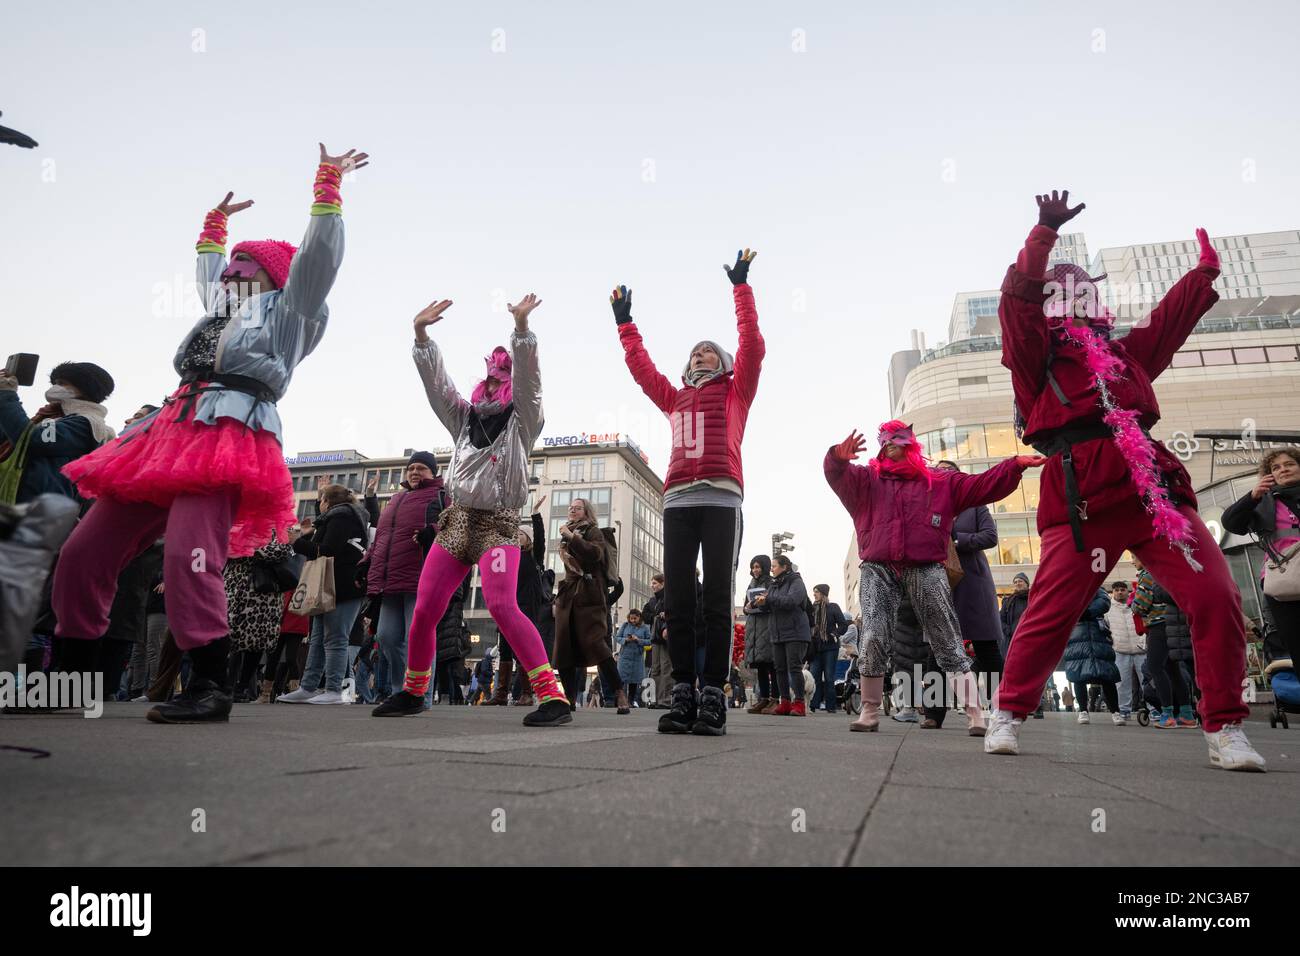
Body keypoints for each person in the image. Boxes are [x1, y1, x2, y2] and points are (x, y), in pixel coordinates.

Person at [49, 145, 365, 724]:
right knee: (82, 553)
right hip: (165, 433)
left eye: (245, 263)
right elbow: (206, 271)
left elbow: (319, 261)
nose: (231, 270)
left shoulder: (292, 312)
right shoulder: (220, 309)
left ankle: (211, 684)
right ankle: (69, 681)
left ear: (274, 275)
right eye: (231, 264)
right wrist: (214, 228)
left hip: (227, 432)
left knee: (191, 556)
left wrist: (327, 187)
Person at [986, 189, 1264, 772]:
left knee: (1216, 594)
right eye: (1063, 291)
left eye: (1084, 290)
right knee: (1051, 610)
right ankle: (1008, 710)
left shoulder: (1126, 354)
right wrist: (1043, 235)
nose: (1075, 298)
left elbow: (1168, 323)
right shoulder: (1036, 356)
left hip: (1152, 484)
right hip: (1082, 491)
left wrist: (1203, 274)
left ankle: (1225, 727)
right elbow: (1017, 308)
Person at [373, 294, 569, 725]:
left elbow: (531, 384)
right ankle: (413, 691)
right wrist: (421, 336)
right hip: (458, 521)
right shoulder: (463, 419)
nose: (495, 381)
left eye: (504, 376)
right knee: (425, 608)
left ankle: (552, 696)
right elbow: (437, 387)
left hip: (499, 524)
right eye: (491, 376)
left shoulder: (523, 421)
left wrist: (521, 331)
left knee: (501, 605)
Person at [611, 248, 765, 736]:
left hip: (722, 499)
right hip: (677, 500)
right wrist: (625, 323)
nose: (699, 354)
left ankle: (714, 696)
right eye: (694, 352)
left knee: (718, 599)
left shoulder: (736, 389)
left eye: (708, 351)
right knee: (678, 601)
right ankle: (682, 693)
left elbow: (752, 346)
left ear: (720, 362)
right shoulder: (674, 396)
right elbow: (642, 371)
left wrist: (740, 288)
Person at [824, 421, 1041, 735]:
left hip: (925, 565)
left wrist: (1013, 467)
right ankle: (869, 710)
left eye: (897, 439)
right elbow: (836, 474)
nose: (890, 444)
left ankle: (975, 713)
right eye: (885, 440)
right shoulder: (867, 481)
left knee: (947, 639)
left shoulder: (939, 481)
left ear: (911, 444)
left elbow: (981, 485)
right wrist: (837, 457)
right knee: (872, 635)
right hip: (877, 565)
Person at [363, 452, 450, 701]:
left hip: (422, 576)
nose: (414, 472)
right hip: (389, 580)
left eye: (421, 468)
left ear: (433, 473)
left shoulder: (442, 495)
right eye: (411, 468)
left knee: (419, 638)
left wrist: (431, 531)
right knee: (386, 637)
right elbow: (381, 537)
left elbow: (455, 524)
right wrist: (366, 563)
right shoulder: (397, 498)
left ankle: (420, 695)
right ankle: (401, 691)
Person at [280, 484, 369, 704]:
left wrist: (297, 542)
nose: (319, 504)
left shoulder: (341, 518)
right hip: (333, 584)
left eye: (320, 500)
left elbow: (327, 549)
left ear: (327, 502)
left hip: (342, 586)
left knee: (335, 638)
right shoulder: (341, 516)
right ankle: (309, 686)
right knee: (318, 638)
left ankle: (333, 689)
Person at [935, 460, 1005, 721]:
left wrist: (958, 541)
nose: (942, 472)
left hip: (973, 581)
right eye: (938, 468)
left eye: (947, 468)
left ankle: (1003, 705)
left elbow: (990, 536)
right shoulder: (929, 505)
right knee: (936, 645)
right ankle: (934, 713)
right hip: (939, 581)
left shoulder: (975, 506)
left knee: (985, 645)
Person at [1222, 447, 1300, 670]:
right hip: (1284, 585)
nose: (1283, 470)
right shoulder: (1265, 502)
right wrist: (1252, 496)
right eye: (1276, 467)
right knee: (1295, 644)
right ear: (1269, 475)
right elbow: (1230, 522)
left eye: (1289, 464)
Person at [0, 361, 115, 505]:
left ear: (85, 389)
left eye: (62, 383)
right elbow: (9, 440)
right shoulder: (49, 418)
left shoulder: (87, 423)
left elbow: (34, 440)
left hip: (37, 512)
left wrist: (7, 395)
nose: (55, 387)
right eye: (54, 383)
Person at [553, 497, 627, 712]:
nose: (572, 510)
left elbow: (595, 554)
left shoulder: (593, 531)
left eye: (577, 508)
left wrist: (570, 536)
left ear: (587, 512)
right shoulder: (568, 535)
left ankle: (619, 692)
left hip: (590, 594)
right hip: (568, 594)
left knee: (597, 644)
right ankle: (568, 698)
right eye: (570, 508)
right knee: (564, 647)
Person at [487, 495, 550, 707]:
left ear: (528, 539)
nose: (516, 536)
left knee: (522, 648)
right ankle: (501, 693)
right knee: (504, 648)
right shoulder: (508, 555)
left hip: (527, 608)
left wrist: (535, 514)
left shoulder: (534, 557)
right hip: (507, 606)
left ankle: (526, 692)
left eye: (521, 534)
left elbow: (540, 538)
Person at [224, 533, 295, 702]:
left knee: (256, 643)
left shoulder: (277, 526)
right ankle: (225, 686)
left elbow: (283, 549)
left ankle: (241, 687)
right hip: (235, 591)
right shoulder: (237, 524)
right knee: (229, 640)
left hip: (263, 595)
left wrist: (250, 549)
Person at [1132, 558, 1199, 728]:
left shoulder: (1147, 575)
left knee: (1155, 667)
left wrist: (1133, 604)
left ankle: (1167, 714)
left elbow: (1140, 605)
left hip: (1157, 625)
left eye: (1133, 557)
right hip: (1173, 623)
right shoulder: (1164, 572)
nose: (1133, 561)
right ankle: (1187, 715)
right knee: (1173, 669)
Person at [753, 554, 810, 717]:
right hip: (777, 633)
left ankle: (799, 703)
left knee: (794, 667)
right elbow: (770, 606)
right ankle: (784, 702)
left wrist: (769, 598)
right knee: (779, 668)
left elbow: (791, 601)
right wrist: (760, 603)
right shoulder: (774, 585)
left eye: (774, 566)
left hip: (795, 631)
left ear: (785, 567)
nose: (771, 569)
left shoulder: (796, 581)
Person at [1063, 588, 1123, 725]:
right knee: (1078, 674)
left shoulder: (1095, 586)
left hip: (1097, 634)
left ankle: (1115, 712)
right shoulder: (1067, 588)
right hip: (1076, 634)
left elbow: (1104, 601)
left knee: (1107, 674)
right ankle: (1083, 710)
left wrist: (1086, 612)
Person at [1104, 580, 1145, 720]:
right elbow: (1105, 628)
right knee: (1121, 683)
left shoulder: (1136, 604)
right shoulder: (1107, 608)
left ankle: (1154, 709)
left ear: (1127, 591)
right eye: (1117, 590)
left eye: (1122, 589)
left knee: (1147, 680)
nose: (1120, 592)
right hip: (1120, 649)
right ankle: (1124, 710)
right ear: (1113, 592)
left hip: (1141, 648)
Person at [742, 556, 778, 715]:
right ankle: (764, 697)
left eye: (758, 567)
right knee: (761, 666)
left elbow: (774, 603)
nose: (755, 570)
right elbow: (745, 606)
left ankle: (775, 698)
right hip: (754, 628)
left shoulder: (771, 583)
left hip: (767, 626)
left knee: (772, 665)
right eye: (753, 567)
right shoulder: (751, 584)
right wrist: (747, 608)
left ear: (764, 567)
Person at [807, 584, 848, 713]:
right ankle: (813, 705)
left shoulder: (833, 607)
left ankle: (831, 706)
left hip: (830, 647)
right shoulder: (812, 609)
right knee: (814, 676)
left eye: (817, 592)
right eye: (814, 592)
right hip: (816, 648)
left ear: (824, 594)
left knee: (829, 677)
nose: (814, 594)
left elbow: (843, 625)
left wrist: (834, 633)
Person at [643, 573, 671, 708]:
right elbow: (645, 616)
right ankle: (653, 700)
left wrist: (664, 617)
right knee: (655, 669)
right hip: (655, 637)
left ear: (663, 583)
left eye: (654, 583)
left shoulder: (669, 598)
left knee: (666, 668)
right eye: (652, 583)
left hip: (665, 637)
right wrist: (656, 615)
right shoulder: (652, 601)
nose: (652, 586)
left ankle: (664, 700)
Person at [615, 609, 652, 710]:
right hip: (625, 657)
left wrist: (638, 640)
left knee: (634, 681)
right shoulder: (625, 625)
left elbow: (649, 641)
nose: (633, 620)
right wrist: (625, 640)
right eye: (631, 618)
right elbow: (617, 637)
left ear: (639, 617)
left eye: (635, 618)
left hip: (637, 657)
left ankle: (630, 701)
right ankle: (620, 701)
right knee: (621, 679)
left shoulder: (645, 628)